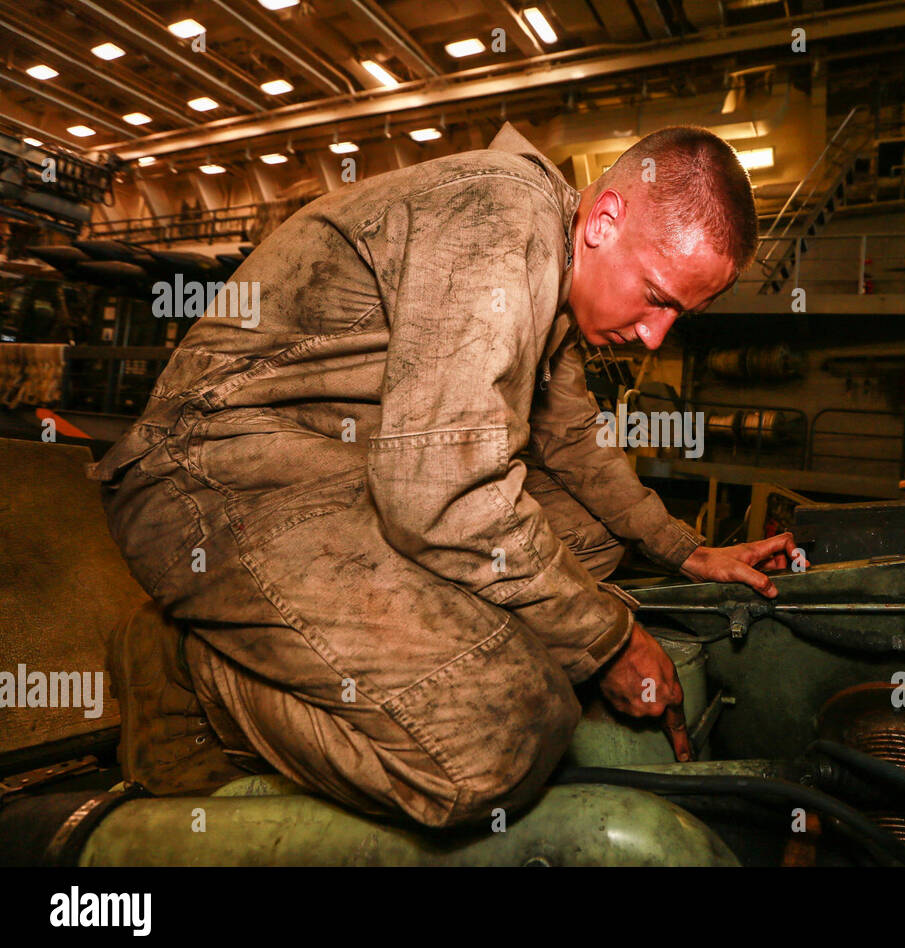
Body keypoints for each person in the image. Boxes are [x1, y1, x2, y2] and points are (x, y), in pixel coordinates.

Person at [92, 122, 797, 827]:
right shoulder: (499, 218)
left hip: (341, 470)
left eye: (679, 315)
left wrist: (684, 548)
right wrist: (603, 638)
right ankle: (192, 671)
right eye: (656, 296)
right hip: (210, 477)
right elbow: (443, 493)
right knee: (493, 746)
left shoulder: (549, 262)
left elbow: (574, 440)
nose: (655, 336)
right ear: (605, 221)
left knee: (593, 540)